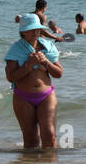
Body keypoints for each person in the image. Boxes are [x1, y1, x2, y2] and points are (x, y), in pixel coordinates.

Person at [4, 14, 61, 149]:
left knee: (49, 135)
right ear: (23, 32)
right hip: (23, 97)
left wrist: (46, 62)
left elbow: (58, 73)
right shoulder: (16, 49)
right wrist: (28, 65)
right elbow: (10, 77)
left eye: (37, 29)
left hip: (46, 96)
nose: (35, 32)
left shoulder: (48, 47)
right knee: (30, 140)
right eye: (31, 29)